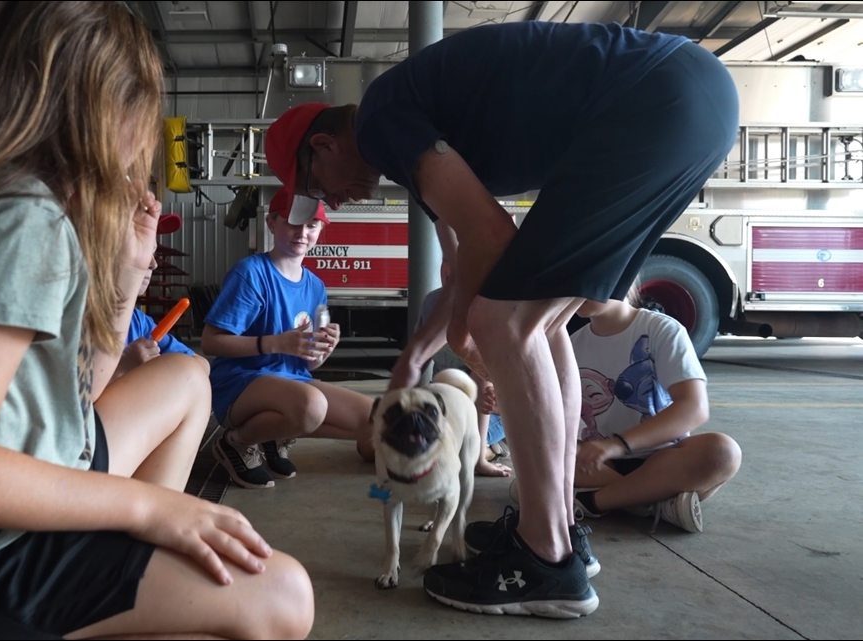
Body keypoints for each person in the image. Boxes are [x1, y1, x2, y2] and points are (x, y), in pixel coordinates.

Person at [0, 4, 313, 639]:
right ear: (104, 110)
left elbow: (73, 407)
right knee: (280, 596)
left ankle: (113, 578)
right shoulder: (22, 224)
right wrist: (151, 509)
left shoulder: (32, 211)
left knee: (186, 375)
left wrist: (124, 285)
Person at [264, 20, 739, 617]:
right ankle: (560, 529)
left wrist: (464, 332)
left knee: (506, 322)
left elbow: (492, 235)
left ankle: (544, 561)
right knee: (537, 323)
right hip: (688, 101)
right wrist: (422, 351)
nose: (326, 204)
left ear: (324, 145)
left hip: (655, 99)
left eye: (313, 188)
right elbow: (458, 262)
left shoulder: (383, 120)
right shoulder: (409, 139)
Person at [202, 188, 375, 490]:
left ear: (321, 228)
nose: (302, 233)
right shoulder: (252, 274)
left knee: (375, 419)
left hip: (292, 382)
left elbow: (310, 362)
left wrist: (323, 349)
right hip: (240, 382)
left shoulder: (316, 286)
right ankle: (237, 442)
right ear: (271, 223)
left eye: (311, 225)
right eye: (293, 223)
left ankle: (274, 434)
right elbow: (211, 342)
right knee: (311, 407)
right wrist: (274, 343)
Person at [565, 295, 741, 533]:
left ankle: (594, 501)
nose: (572, 290)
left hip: (664, 459)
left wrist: (619, 444)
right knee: (545, 450)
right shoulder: (570, 343)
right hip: (597, 464)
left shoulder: (661, 329)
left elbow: (694, 408)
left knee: (723, 452)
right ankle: (656, 500)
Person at [416, 263, 510, 477]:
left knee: (437, 455)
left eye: (462, 263)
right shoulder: (432, 301)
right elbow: (420, 360)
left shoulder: (490, 308)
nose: (450, 271)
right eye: (447, 260)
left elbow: (485, 382)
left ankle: (480, 452)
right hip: (445, 405)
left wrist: (477, 462)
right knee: (370, 447)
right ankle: (488, 449)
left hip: (487, 411)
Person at [112, 249, 210, 381]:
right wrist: (122, 368)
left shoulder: (138, 320)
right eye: (142, 249)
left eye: (154, 253)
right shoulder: (78, 322)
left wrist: (159, 366)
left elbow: (201, 365)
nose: (154, 264)